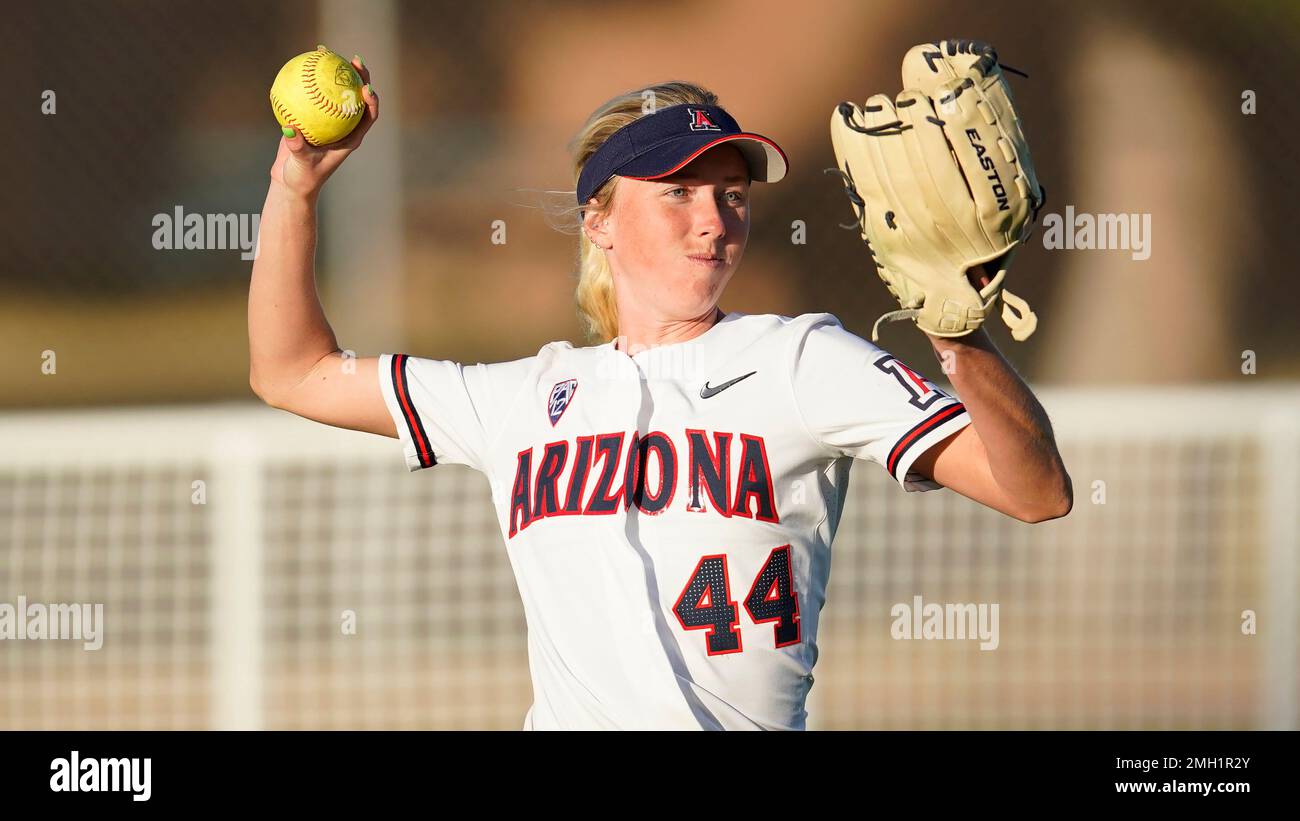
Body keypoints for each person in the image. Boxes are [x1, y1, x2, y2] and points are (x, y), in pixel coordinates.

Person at [248, 67, 1073, 730]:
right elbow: (291, 370)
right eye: (677, 192)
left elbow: (1036, 492)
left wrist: (959, 334)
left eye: (733, 194)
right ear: (599, 221)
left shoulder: (801, 359)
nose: (714, 220)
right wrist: (294, 191)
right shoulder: (524, 398)